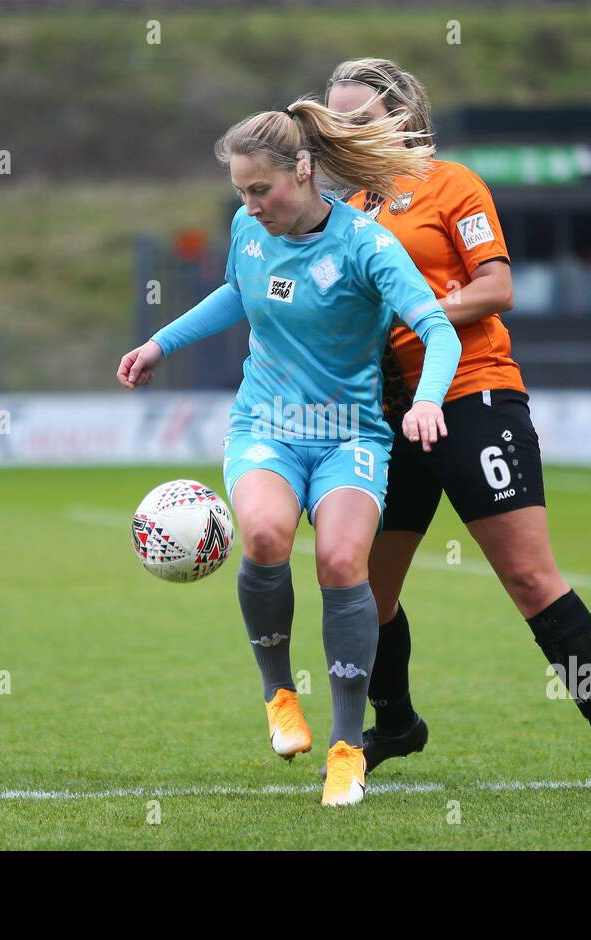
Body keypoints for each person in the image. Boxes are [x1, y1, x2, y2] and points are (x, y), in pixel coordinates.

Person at [117, 99, 462, 805]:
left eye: (260, 189)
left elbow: (437, 327)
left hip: (351, 435)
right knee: (267, 535)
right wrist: (158, 344)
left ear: (302, 171)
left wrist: (426, 399)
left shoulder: (367, 245)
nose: (249, 204)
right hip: (266, 427)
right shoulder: (249, 229)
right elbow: (233, 295)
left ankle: (347, 749)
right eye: (240, 191)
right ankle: (278, 693)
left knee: (342, 562)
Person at [325, 58, 591, 795]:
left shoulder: (453, 185)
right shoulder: (352, 209)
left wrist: (414, 315)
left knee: (529, 577)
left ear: (403, 116)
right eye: (338, 123)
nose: (349, 135)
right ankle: (399, 723)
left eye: (360, 120)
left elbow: (496, 287)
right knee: (362, 590)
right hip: (392, 414)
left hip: (473, 399)